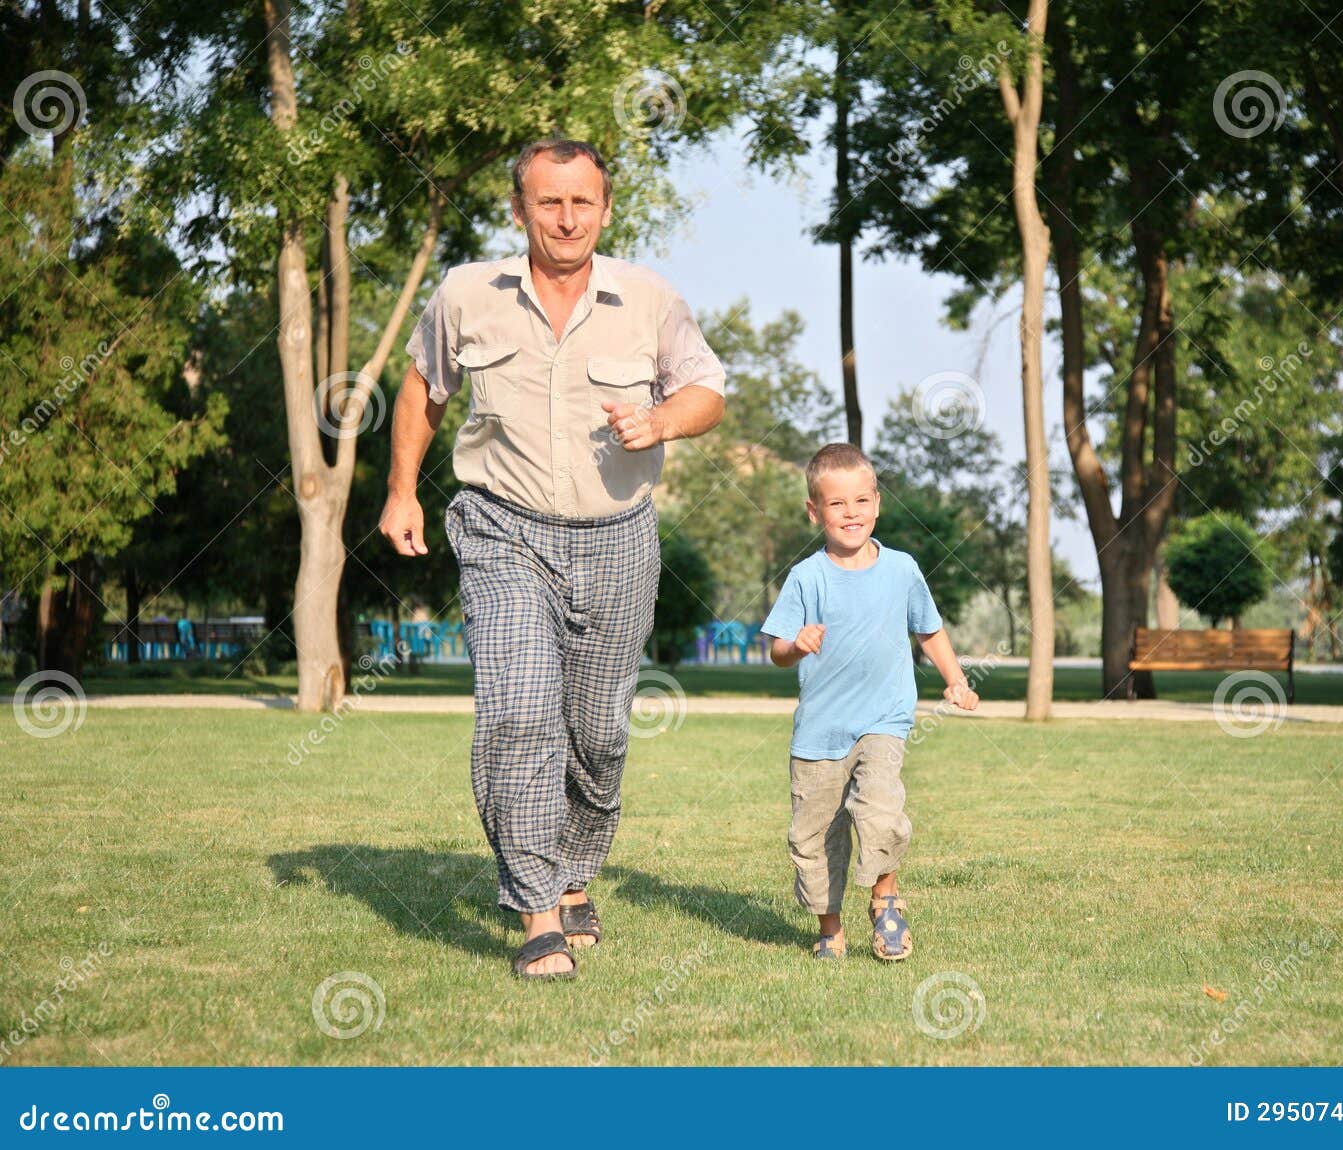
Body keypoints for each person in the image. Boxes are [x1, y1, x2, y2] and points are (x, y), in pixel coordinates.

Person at [380, 139, 727, 981]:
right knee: (520, 709)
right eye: (548, 203)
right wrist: (401, 490)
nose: (566, 219)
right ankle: (537, 908)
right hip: (502, 527)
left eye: (582, 203)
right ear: (519, 210)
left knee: (598, 732)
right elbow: (423, 389)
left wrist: (662, 423)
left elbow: (707, 391)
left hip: (618, 536)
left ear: (605, 210)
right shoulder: (468, 293)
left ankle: (575, 872)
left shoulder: (648, 299)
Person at [759, 443, 978, 961]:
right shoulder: (806, 577)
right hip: (819, 730)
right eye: (837, 504)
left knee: (879, 807)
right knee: (814, 837)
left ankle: (886, 903)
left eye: (861, 501)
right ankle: (829, 928)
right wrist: (797, 645)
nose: (851, 513)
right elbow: (776, 652)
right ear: (815, 511)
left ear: (877, 504)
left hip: (884, 719)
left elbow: (930, 630)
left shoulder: (902, 570)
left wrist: (956, 680)